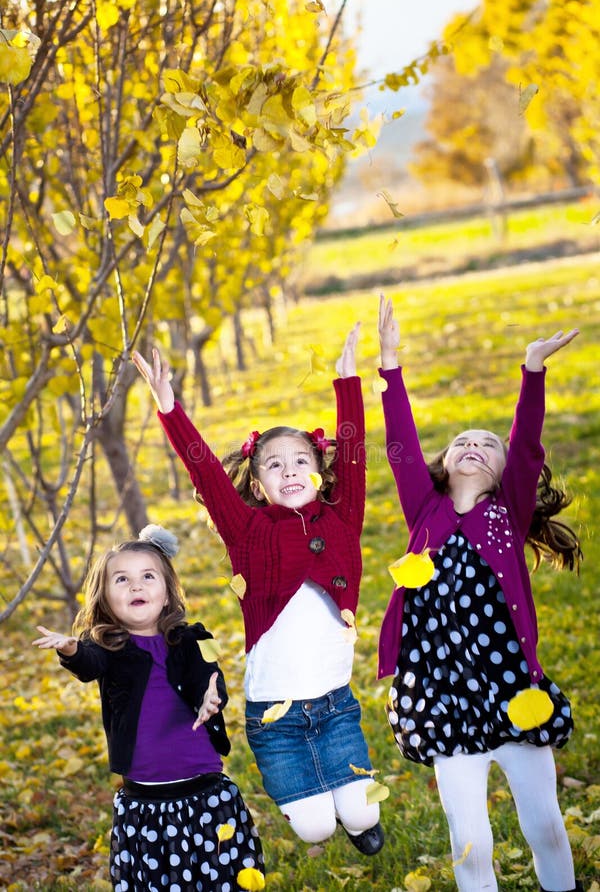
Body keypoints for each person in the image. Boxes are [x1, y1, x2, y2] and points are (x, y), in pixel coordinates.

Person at [131, 325, 384, 856]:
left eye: (300, 461)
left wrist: (347, 383)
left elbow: (355, 459)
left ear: (319, 471)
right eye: (274, 464)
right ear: (257, 482)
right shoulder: (248, 532)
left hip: (336, 705)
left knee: (362, 809)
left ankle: (358, 815)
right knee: (314, 828)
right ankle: (320, 808)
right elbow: (206, 477)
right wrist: (170, 408)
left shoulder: (344, 519)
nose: (289, 470)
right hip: (275, 715)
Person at [377, 295, 583, 892]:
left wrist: (532, 370)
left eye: (486, 445)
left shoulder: (508, 512)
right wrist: (390, 369)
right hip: (439, 693)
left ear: (499, 468)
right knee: (469, 842)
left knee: (543, 824)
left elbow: (527, 443)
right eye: (462, 441)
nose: (473, 446)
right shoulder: (425, 507)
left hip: (510, 684)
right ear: (443, 462)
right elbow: (399, 444)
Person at [33, 524, 265, 892]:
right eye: (121, 579)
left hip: (204, 792)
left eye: (147, 576)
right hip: (145, 803)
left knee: (219, 879)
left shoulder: (191, 639)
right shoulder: (109, 648)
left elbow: (209, 674)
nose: (136, 586)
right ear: (106, 598)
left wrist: (211, 695)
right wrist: (71, 649)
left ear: (168, 591)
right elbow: (88, 664)